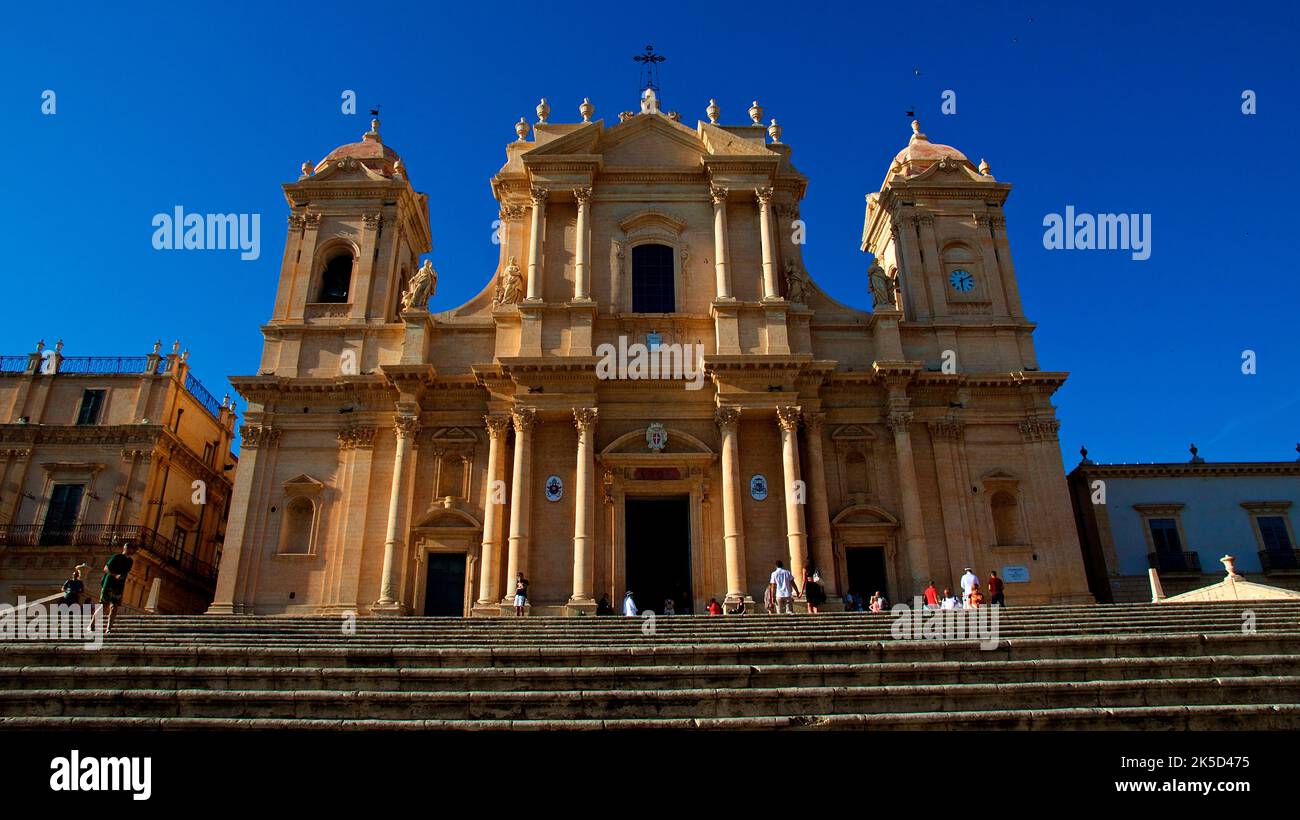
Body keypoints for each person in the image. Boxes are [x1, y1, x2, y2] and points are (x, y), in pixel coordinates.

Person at [100, 542, 135, 633]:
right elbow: (105, 568)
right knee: (104, 606)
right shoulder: (116, 557)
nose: (132, 550)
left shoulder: (130, 561)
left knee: (114, 607)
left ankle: (108, 628)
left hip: (119, 586)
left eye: (132, 548)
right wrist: (115, 575)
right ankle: (92, 625)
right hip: (109, 584)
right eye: (130, 548)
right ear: (125, 548)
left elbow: (125, 572)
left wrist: (121, 577)